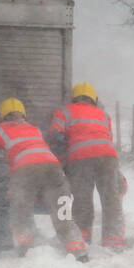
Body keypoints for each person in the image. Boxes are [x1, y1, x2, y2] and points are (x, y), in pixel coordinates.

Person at [0, 98, 88, 261]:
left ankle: (27, 252)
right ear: (23, 114)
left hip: (25, 170)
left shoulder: (1, 129)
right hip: (53, 168)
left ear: (2, 116)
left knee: (20, 213)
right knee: (62, 214)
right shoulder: (34, 129)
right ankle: (79, 252)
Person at [48, 82, 127, 251]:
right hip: (108, 157)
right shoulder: (104, 115)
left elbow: (56, 138)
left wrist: (63, 162)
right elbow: (107, 138)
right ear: (94, 99)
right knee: (110, 199)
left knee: (82, 198)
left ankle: (83, 237)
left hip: (81, 158)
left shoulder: (64, 111)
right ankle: (113, 240)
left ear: (73, 98)